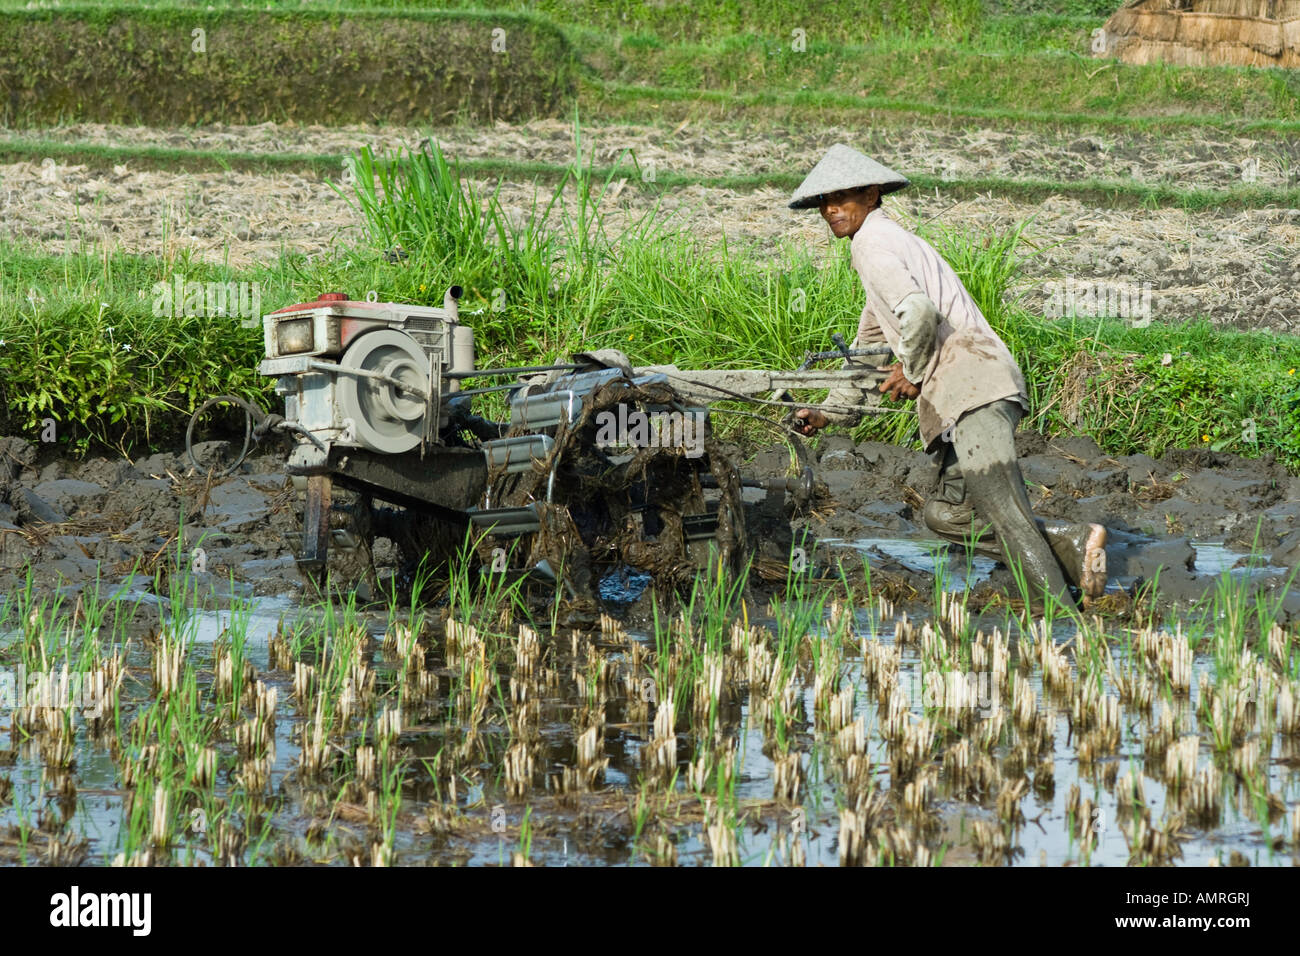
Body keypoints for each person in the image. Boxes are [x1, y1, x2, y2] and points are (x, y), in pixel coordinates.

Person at [787, 144, 1107, 605]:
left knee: (1006, 514)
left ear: (873, 193)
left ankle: (1058, 617)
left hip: (973, 385)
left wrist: (913, 371)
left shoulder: (871, 243)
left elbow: (918, 311)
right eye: (824, 202)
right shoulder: (888, 245)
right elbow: (868, 349)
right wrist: (827, 413)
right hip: (969, 392)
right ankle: (1071, 541)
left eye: (843, 198)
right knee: (944, 515)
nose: (831, 210)